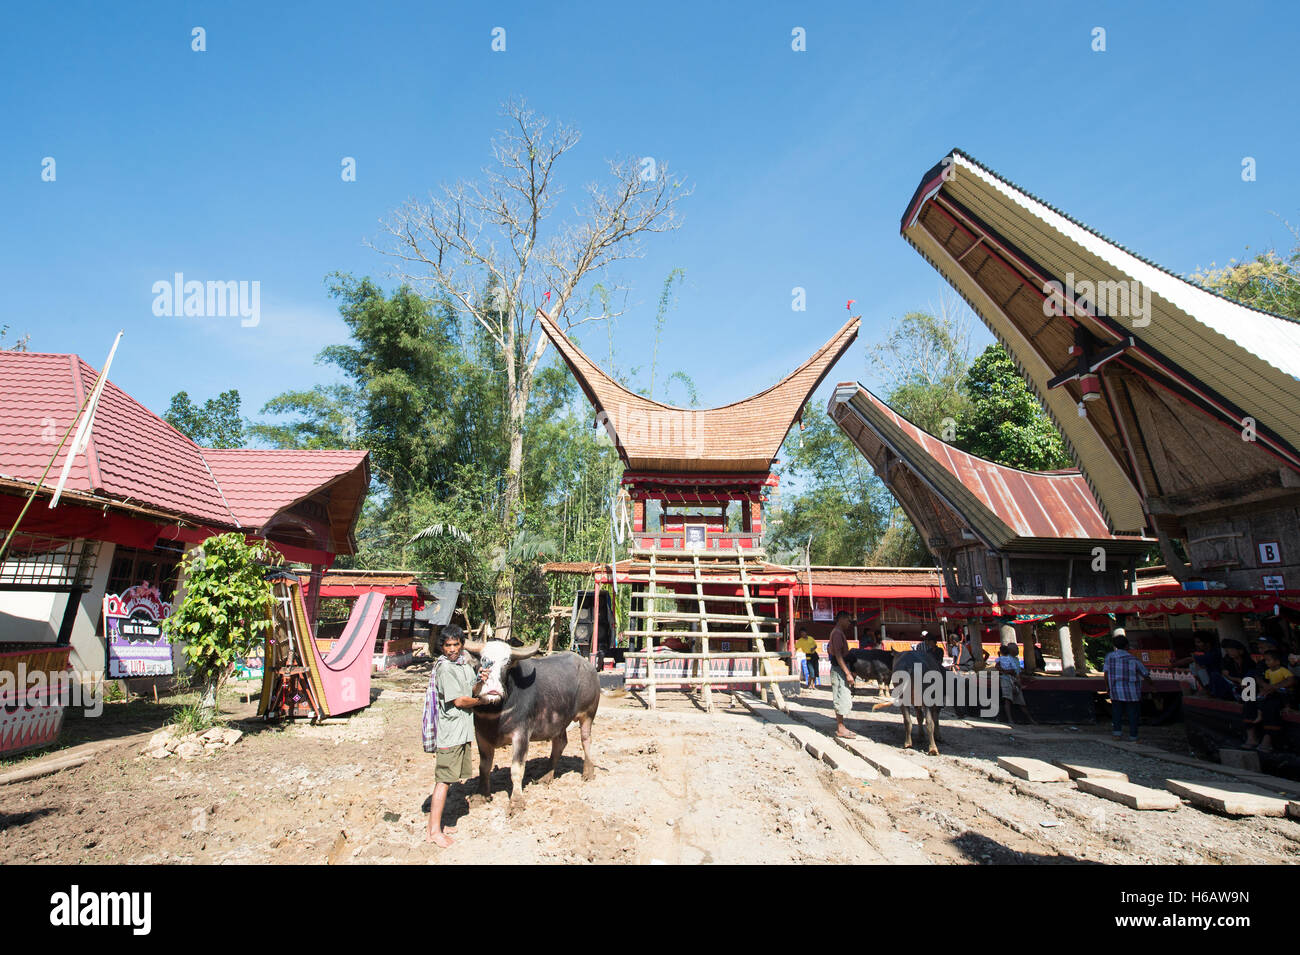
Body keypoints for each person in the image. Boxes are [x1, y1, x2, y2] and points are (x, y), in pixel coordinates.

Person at [422, 625, 486, 847]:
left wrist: (482, 681)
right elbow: (460, 700)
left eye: (455, 645)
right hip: (450, 734)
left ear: (461, 645)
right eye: (447, 645)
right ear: (442, 647)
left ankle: (441, 822)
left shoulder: (463, 666)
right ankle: (434, 831)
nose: (451, 649)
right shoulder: (445, 669)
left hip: (462, 732)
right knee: (443, 782)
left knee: (451, 780)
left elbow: (473, 689)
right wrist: (482, 701)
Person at [1243, 648, 1294, 752]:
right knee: (1251, 701)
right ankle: (1252, 737)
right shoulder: (1266, 669)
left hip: (1283, 694)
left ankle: (1268, 740)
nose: (1267, 662)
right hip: (1270, 692)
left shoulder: (1284, 669)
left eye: (1269, 660)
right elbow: (1263, 681)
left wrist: (1274, 687)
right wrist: (1265, 688)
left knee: (1272, 705)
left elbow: (1291, 681)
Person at [1103, 632, 1149, 742]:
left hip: (1116, 689)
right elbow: (1145, 673)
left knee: (1117, 713)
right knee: (1133, 714)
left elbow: (1106, 673)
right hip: (1132, 691)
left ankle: (1117, 734)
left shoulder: (1110, 657)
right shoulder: (1133, 659)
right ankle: (1133, 736)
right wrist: (1152, 685)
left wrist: (1107, 687)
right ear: (1127, 646)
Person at [828, 610, 856, 739]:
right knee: (840, 697)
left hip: (840, 668)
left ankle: (841, 725)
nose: (849, 623)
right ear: (842, 619)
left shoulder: (838, 633)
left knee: (843, 696)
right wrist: (847, 673)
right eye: (848, 620)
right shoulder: (837, 633)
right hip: (839, 669)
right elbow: (838, 654)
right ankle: (840, 727)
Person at [995, 644, 1034, 723]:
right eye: (1016, 649)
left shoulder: (1016, 659)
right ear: (1011, 650)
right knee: (1007, 699)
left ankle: (1030, 719)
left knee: (1021, 701)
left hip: (1015, 681)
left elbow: (1017, 672)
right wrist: (1006, 671)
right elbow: (998, 667)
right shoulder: (1004, 659)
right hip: (1006, 680)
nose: (1018, 650)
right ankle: (1010, 720)